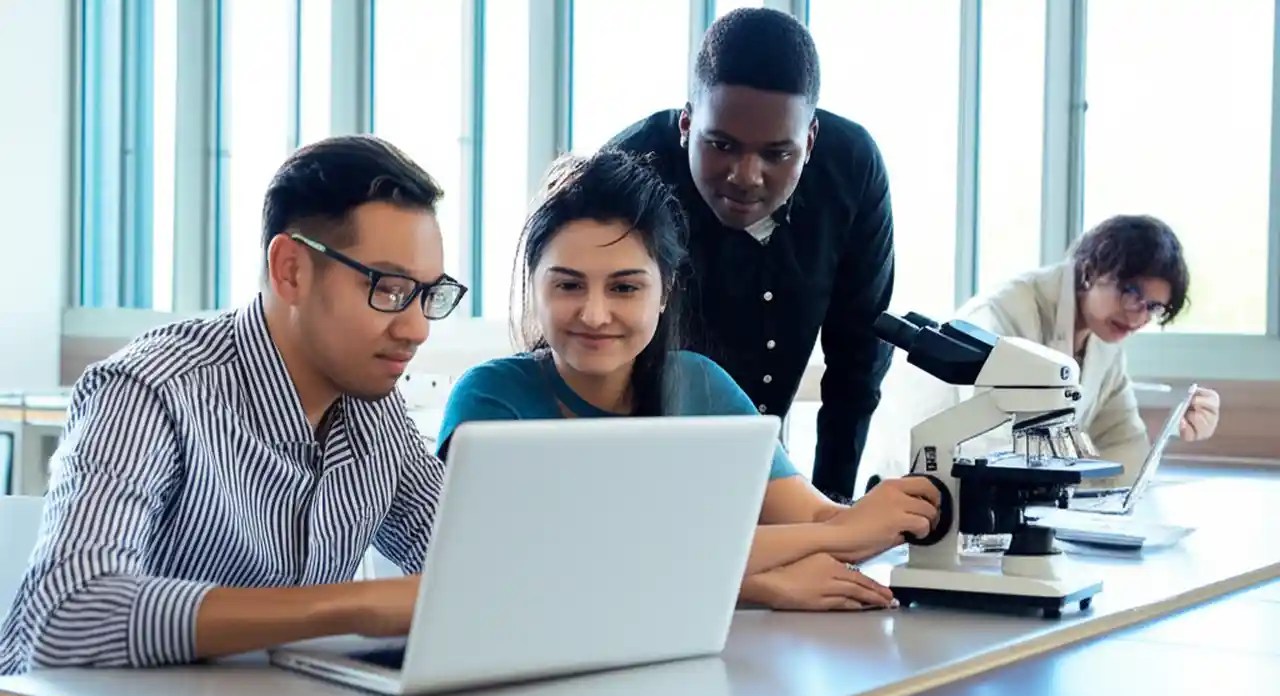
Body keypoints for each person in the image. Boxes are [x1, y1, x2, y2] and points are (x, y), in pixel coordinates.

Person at [0, 135, 467, 674]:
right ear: (291, 269)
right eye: (388, 288)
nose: (416, 328)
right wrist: (350, 606)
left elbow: (463, 563)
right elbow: (63, 620)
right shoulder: (151, 391)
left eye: (430, 295)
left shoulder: (371, 407)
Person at [437, 149, 939, 612]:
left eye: (624, 287)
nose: (594, 314)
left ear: (664, 290)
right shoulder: (490, 400)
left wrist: (895, 510)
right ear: (534, 286)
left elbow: (817, 521)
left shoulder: (701, 385)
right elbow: (548, 569)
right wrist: (756, 583)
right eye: (568, 285)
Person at [604, 8, 896, 504]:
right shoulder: (625, 175)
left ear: (810, 140)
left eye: (777, 154)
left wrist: (831, 508)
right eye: (721, 144)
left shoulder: (854, 169)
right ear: (685, 123)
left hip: (772, 480)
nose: (746, 175)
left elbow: (859, 357)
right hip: (636, 474)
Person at [937, 214, 1220, 488]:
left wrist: (1171, 430)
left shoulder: (1105, 344)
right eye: (1132, 292)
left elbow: (1126, 447)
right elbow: (985, 448)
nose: (1137, 318)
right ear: (1089, 271)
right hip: (931, 491)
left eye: (1153, 307)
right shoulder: (1004, 315)